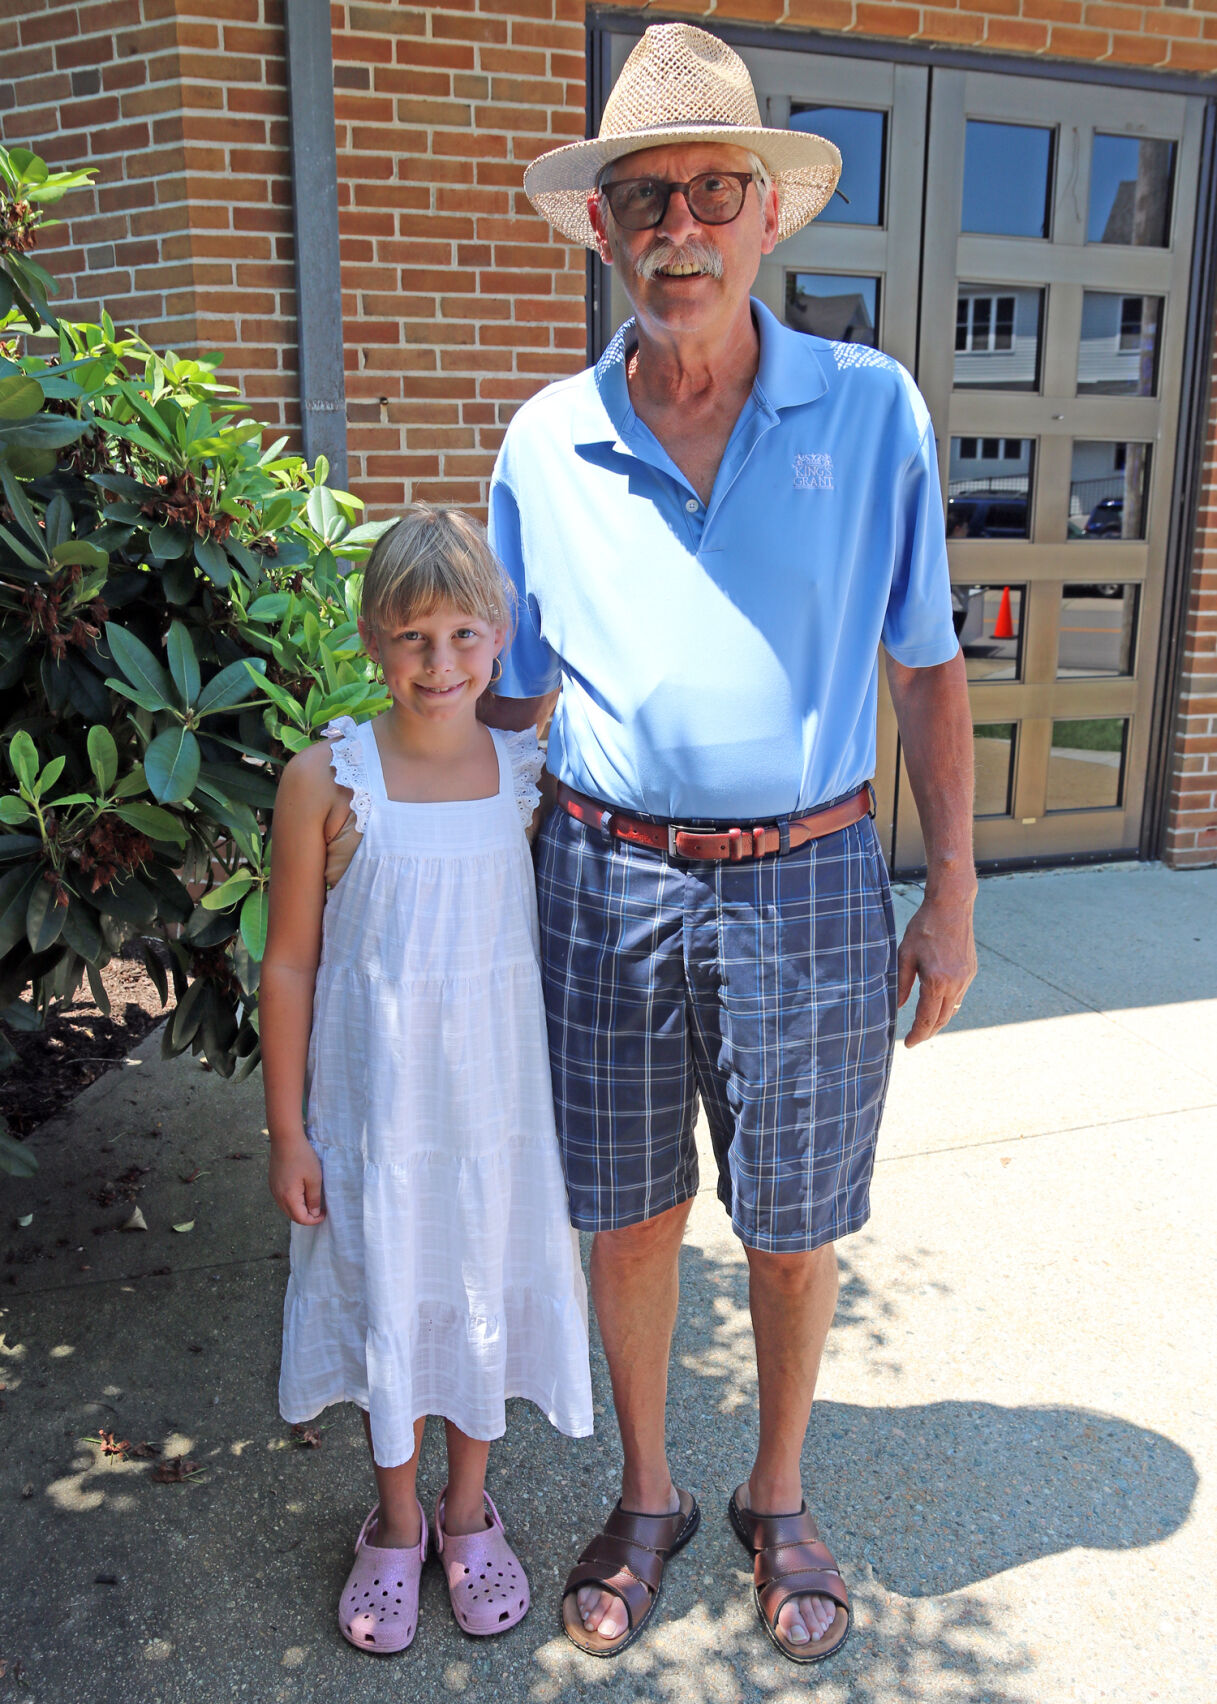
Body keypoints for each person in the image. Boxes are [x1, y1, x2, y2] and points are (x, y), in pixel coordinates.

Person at [483, 22, 977, 1667]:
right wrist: (375, 822)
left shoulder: (872, 409)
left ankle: (775, 1491)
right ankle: (646, 1491)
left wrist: (953, 887)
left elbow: (926, 662)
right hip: (603, 877)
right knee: (623, 1211)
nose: (677, 226)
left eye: (711, 189)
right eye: (644, 199)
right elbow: (504, 701)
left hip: (815, 877)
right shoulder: (543, 446)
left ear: (766, 216)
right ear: (608, 233)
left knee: (790, 1215)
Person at [261, 506, 593, 1654]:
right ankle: (394, 1526)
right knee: (392, 1291)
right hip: (377, 1113)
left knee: (479, 1292)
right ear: (368, 640)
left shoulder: (531, 776)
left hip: (496, 1111)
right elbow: (292, 960)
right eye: (410, 637)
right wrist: (286, 1132)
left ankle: (467, 1514)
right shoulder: (328, 782)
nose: (438, 663)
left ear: (500, 639)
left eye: (461, 634)